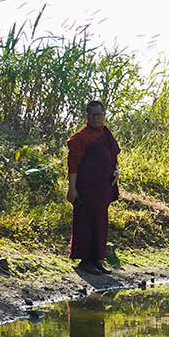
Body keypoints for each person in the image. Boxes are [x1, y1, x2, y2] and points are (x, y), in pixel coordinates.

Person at [66, 99, 119, 275]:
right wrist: (72, 189)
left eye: (99, 115)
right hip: (86, 188)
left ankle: (98, 259)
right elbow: (73, 164)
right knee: (85, 223)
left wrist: (116, 170)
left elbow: (114, 156)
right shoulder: (80, 137)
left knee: (100, 223)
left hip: (103, 188)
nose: (95, 118)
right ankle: (85, 261)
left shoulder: (106, 134)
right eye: (92, 115)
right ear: (87, 116)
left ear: (104, 115)